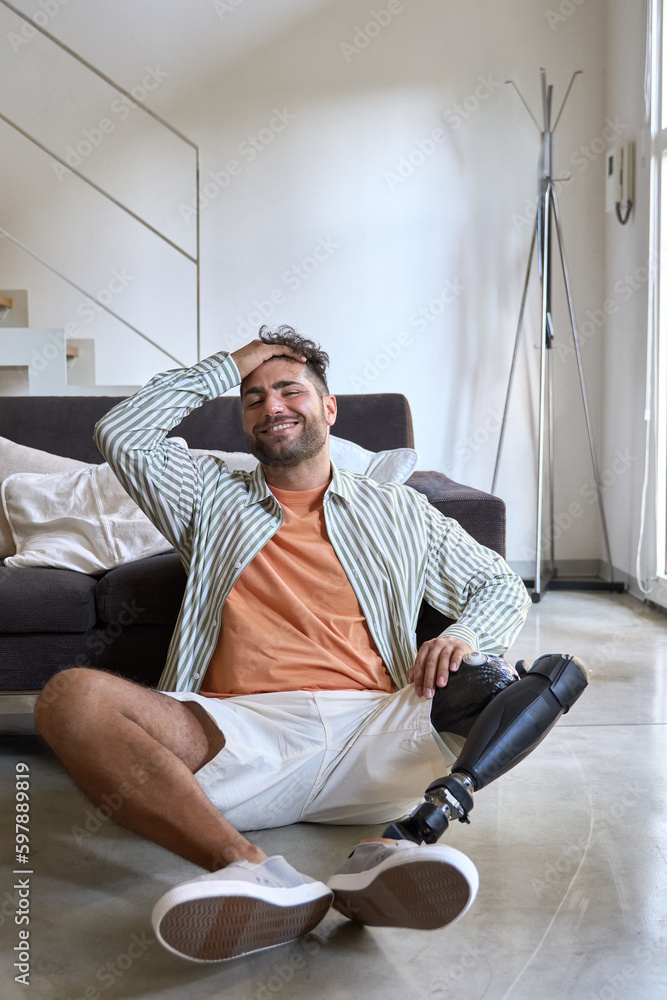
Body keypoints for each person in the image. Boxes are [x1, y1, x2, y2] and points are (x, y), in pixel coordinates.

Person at [34, 326, 532, 964]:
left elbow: (497, 584)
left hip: (377, 728)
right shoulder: (207, 497)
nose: (272, 406)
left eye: (290, 390)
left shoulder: (399, 510)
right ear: (242, 420)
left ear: (328, 408)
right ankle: (251, 870)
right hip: (240, 735)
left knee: (536, 682)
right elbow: (122, 434)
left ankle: (394, 844)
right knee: (69, 698)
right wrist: (230, 365)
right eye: (254, 397)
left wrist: (464, 633)